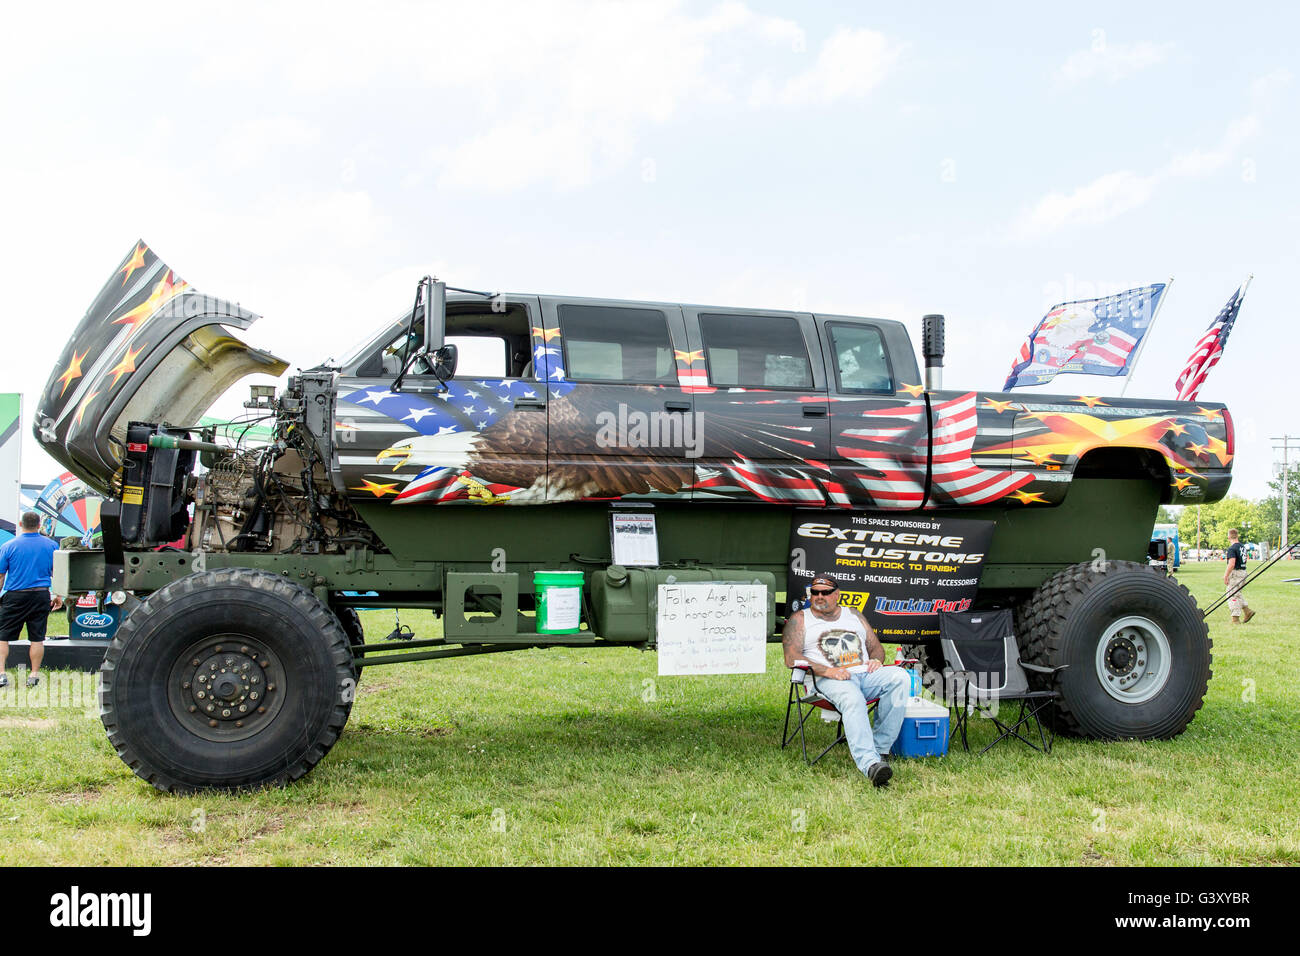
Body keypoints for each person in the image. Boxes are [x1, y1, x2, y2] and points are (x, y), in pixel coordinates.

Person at [782, 571, 911, 787]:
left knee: (900, 677)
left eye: (825, 592)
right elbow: (791, 658)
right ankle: (871, 765)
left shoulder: (853, 614)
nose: (819, 596)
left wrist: (876, 660)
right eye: (815, 592)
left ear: (837, 594)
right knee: (851, 696)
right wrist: (828, 671)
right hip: (824, 680)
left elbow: (876, 648)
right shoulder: (800, 620)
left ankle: (880, 749)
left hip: (864, 674)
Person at [0, 512, 63, 688]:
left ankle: (1, 674)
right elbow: (58, 573)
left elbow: (1, 575)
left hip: (15, 596)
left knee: (2, 636)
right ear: (39, 525)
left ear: (21, 524)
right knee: (37, 638)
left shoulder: (9, 546)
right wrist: (58, 595)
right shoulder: (52, 545)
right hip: (41, 595)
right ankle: (34, 675)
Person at [1223, 528, 1255, 624]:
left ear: (1229, 536)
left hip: (1236, 573)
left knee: (1231, 595)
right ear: (1237, 536)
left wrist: (1226, 575)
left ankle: (1235, 618)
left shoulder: (1232, 548)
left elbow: (1231, 563)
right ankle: (1247, 611)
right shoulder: (1242, 547)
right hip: (1243, 571)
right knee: (1237, 593)